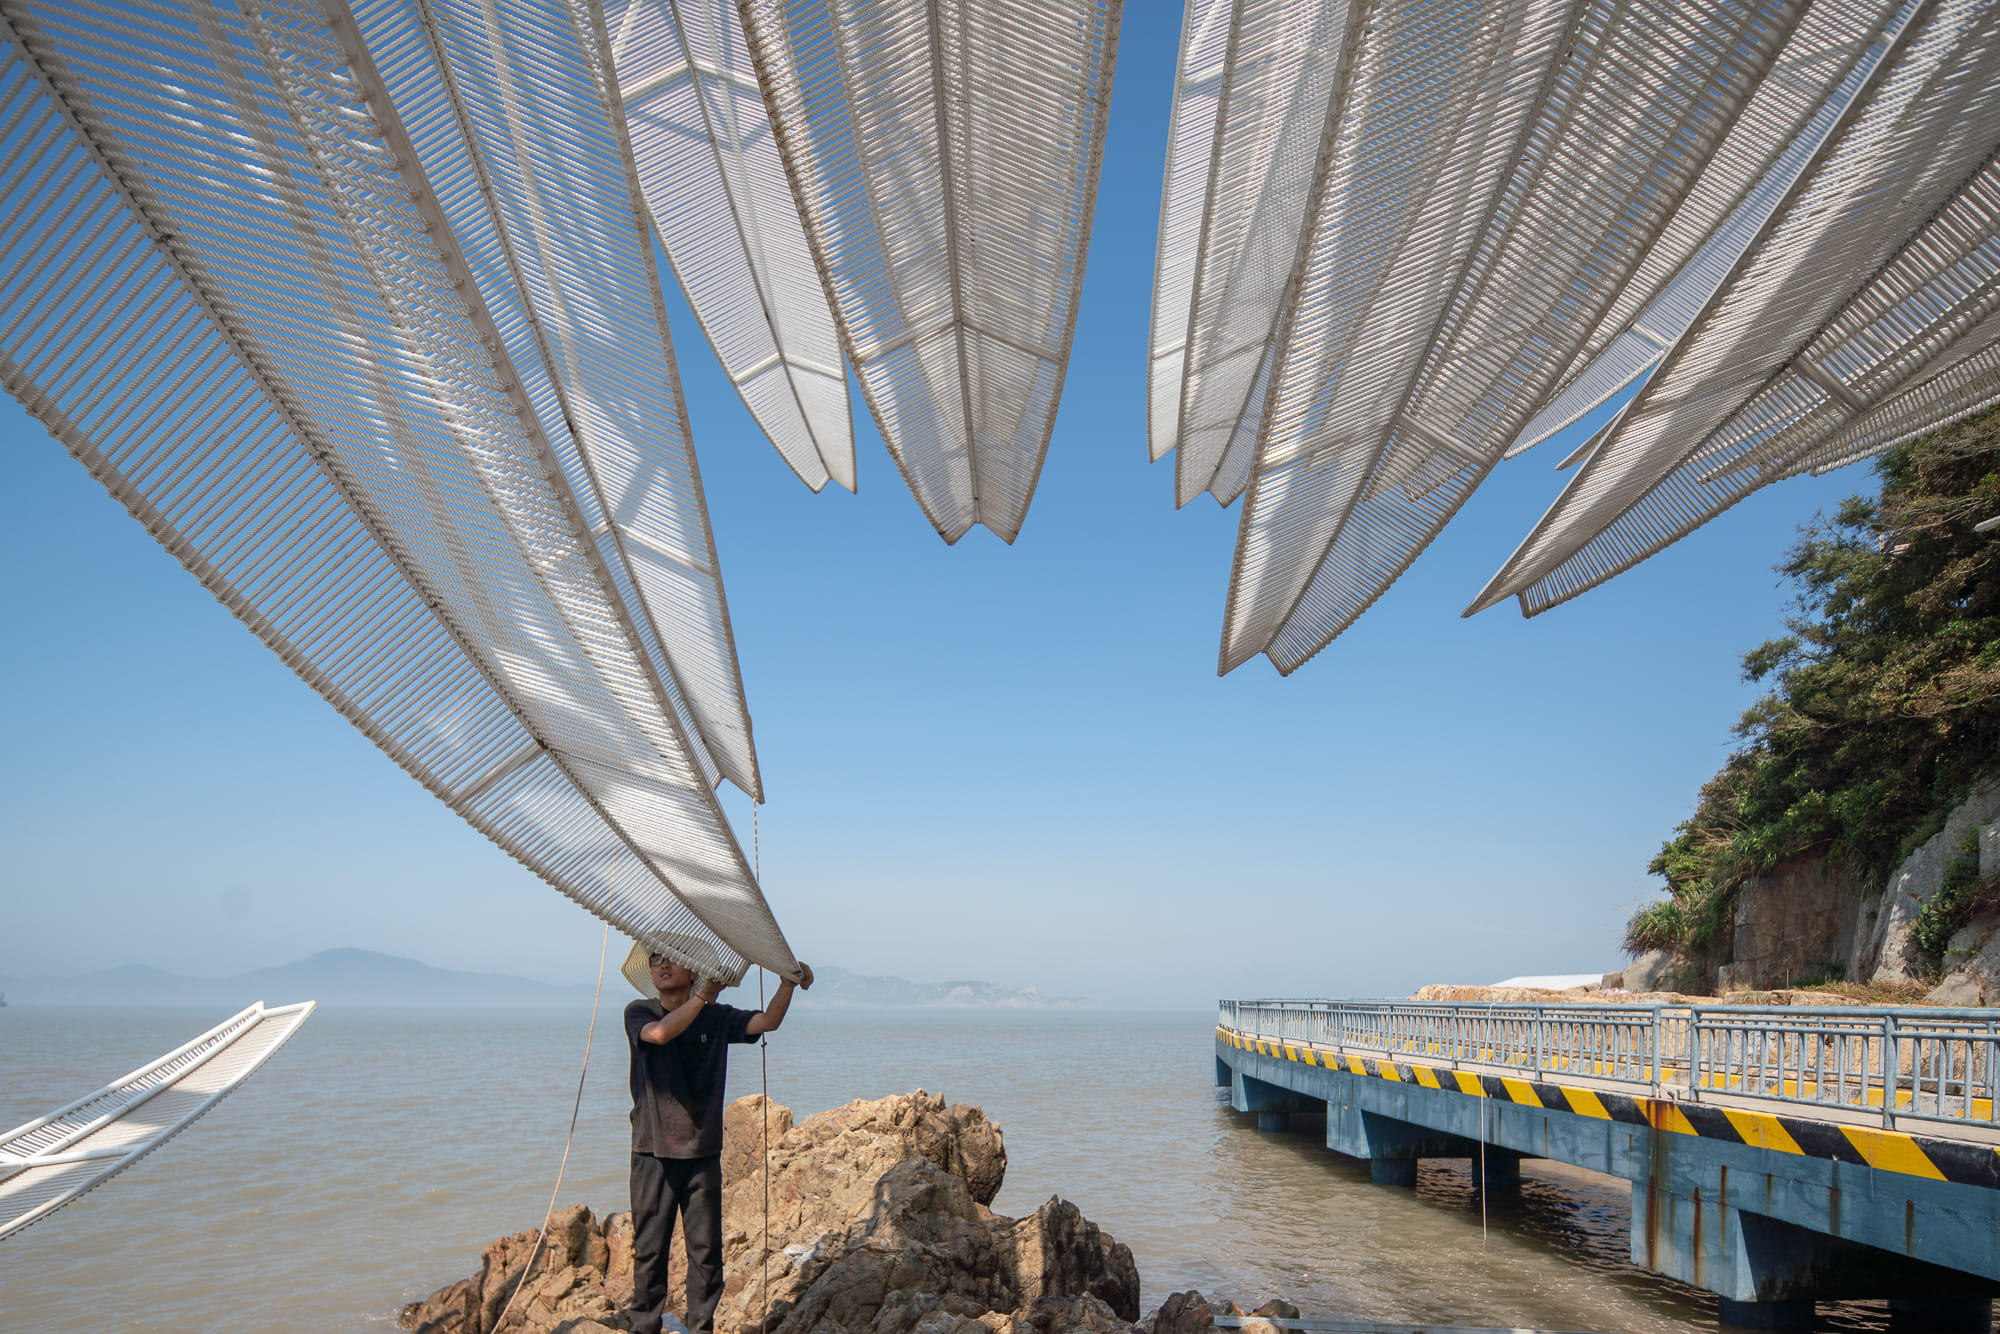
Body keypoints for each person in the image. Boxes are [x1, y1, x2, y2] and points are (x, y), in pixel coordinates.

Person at [620, 939, 814, 1334]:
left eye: (672, 958)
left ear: (693, 971)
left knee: (706, 1253)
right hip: (652, 1153)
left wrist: (788, 984)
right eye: (656, 959)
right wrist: (703, 996)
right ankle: (645, 1327)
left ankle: (701, 1328)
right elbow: (660, 1034)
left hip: (703, 1152)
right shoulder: (640, 1012)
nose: (662, 964)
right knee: (650, 1251)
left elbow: (767, 1022)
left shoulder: (716, 1017)